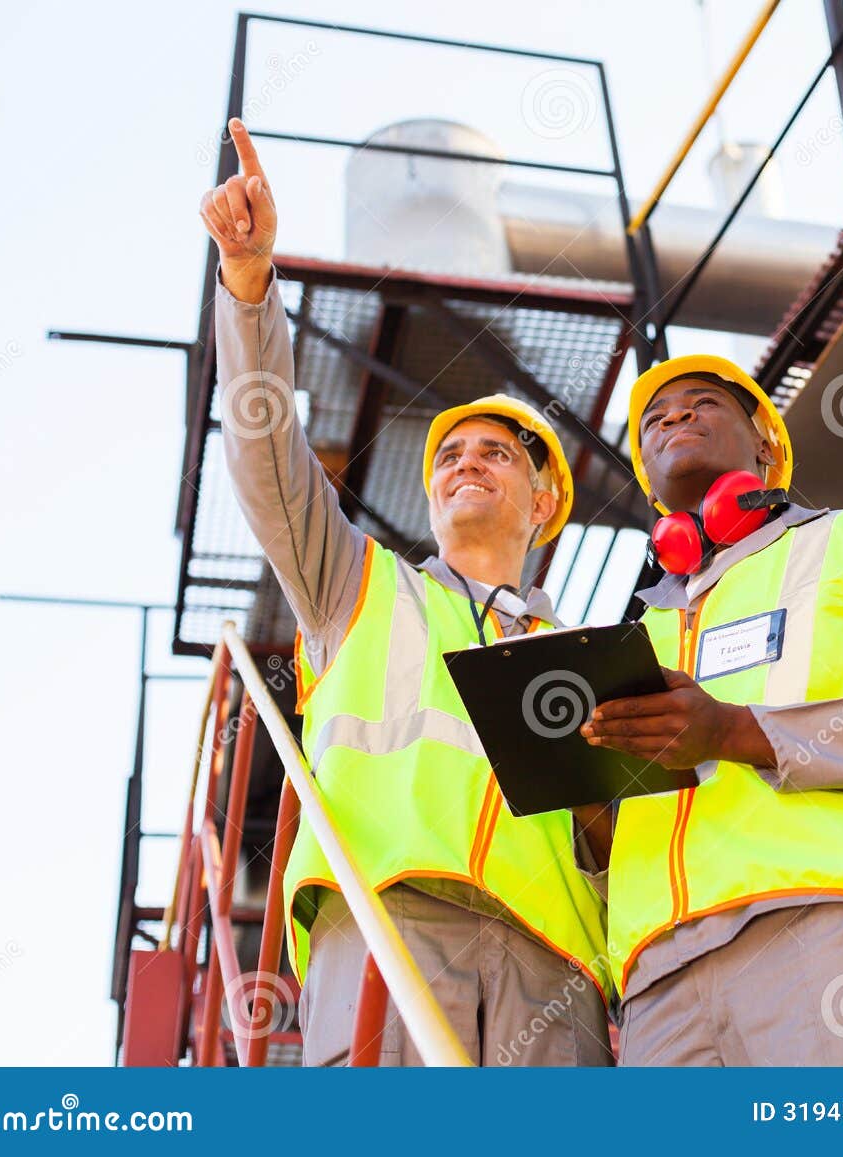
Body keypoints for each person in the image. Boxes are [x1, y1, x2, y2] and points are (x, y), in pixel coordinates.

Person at [199, 118, 611, 1066]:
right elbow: (269, 463)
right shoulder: (359, 586)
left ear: (544, 497)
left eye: (496, 454)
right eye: (451, 455)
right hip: (386, 927)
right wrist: (252, 285)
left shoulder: (589, 654)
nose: (468, 465)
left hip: (553, 965)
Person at [580, 355, 843, 1066]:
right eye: (653, 418)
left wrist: (735, 730)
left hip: (831, 928)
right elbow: (615, 844)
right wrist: (581, 791)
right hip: (659, 987)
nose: (673, 416)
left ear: (766, 445)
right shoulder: (631, 642)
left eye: (702, 402)